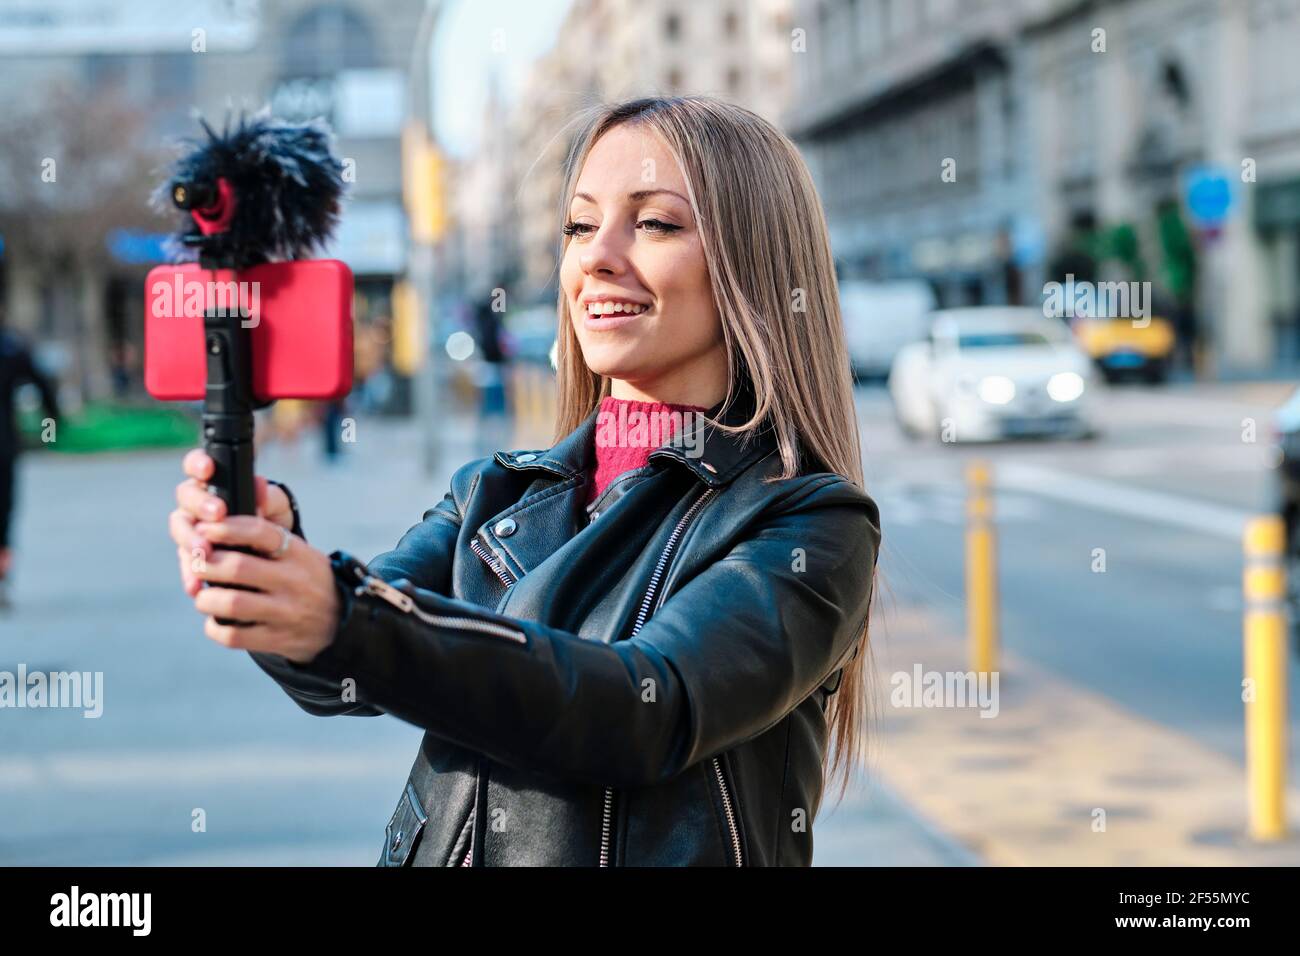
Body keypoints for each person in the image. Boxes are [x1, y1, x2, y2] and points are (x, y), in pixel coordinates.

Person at [167, 96, 881, 866]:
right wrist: (273, 567)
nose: (597, 257)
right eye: (580, 225)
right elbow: (345, 676)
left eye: (655, 223)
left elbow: (646, 707)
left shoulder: (811, 523)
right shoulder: (490, 494)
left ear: (754, 260)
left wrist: (347, 617)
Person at [0, 327, 61, 609]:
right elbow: (43, 387)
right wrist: (50, 432)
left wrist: (49, 430)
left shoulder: (10, 346)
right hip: (5, 446)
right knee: (3, 515)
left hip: (5, 445)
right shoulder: (10, 345)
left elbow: (42, 386)